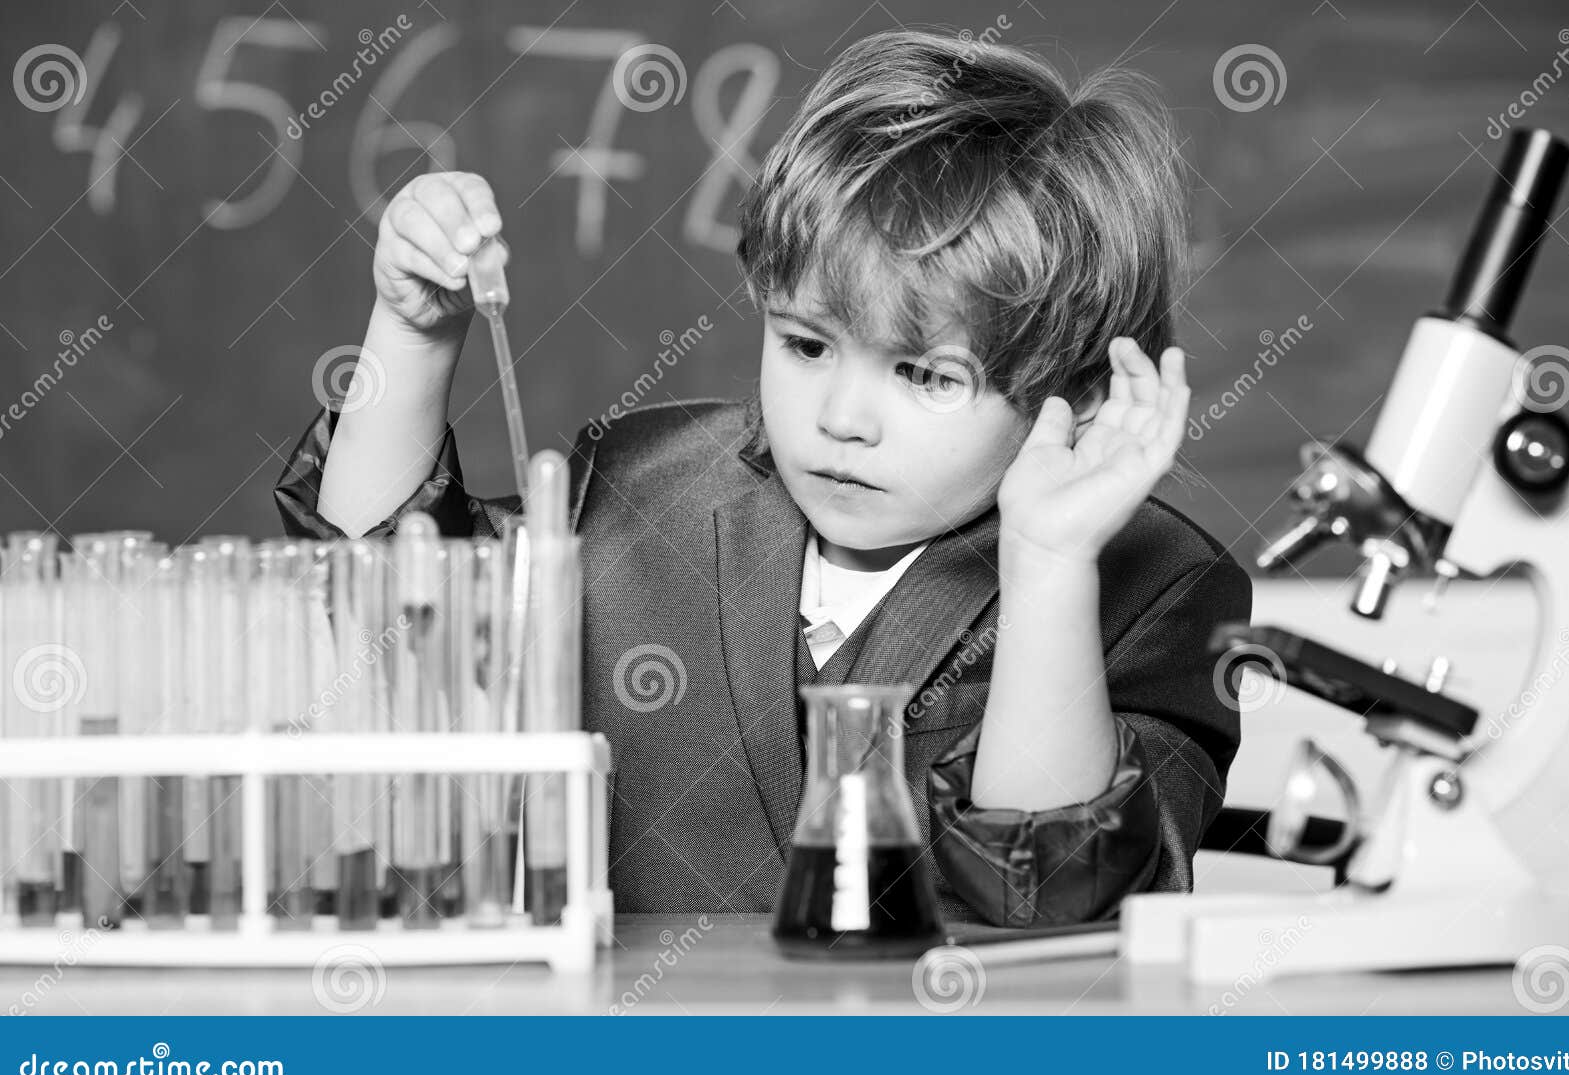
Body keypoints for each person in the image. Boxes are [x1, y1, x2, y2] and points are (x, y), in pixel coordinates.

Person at [275, 28, 1252, 927]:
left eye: (925, 374)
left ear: (1072, 390)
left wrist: (1048, 565)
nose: (839, 417)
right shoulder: (638, 485)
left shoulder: (1154, 586)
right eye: (805, 343)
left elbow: (1050, 899)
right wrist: (412, 329)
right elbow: (390, 605)